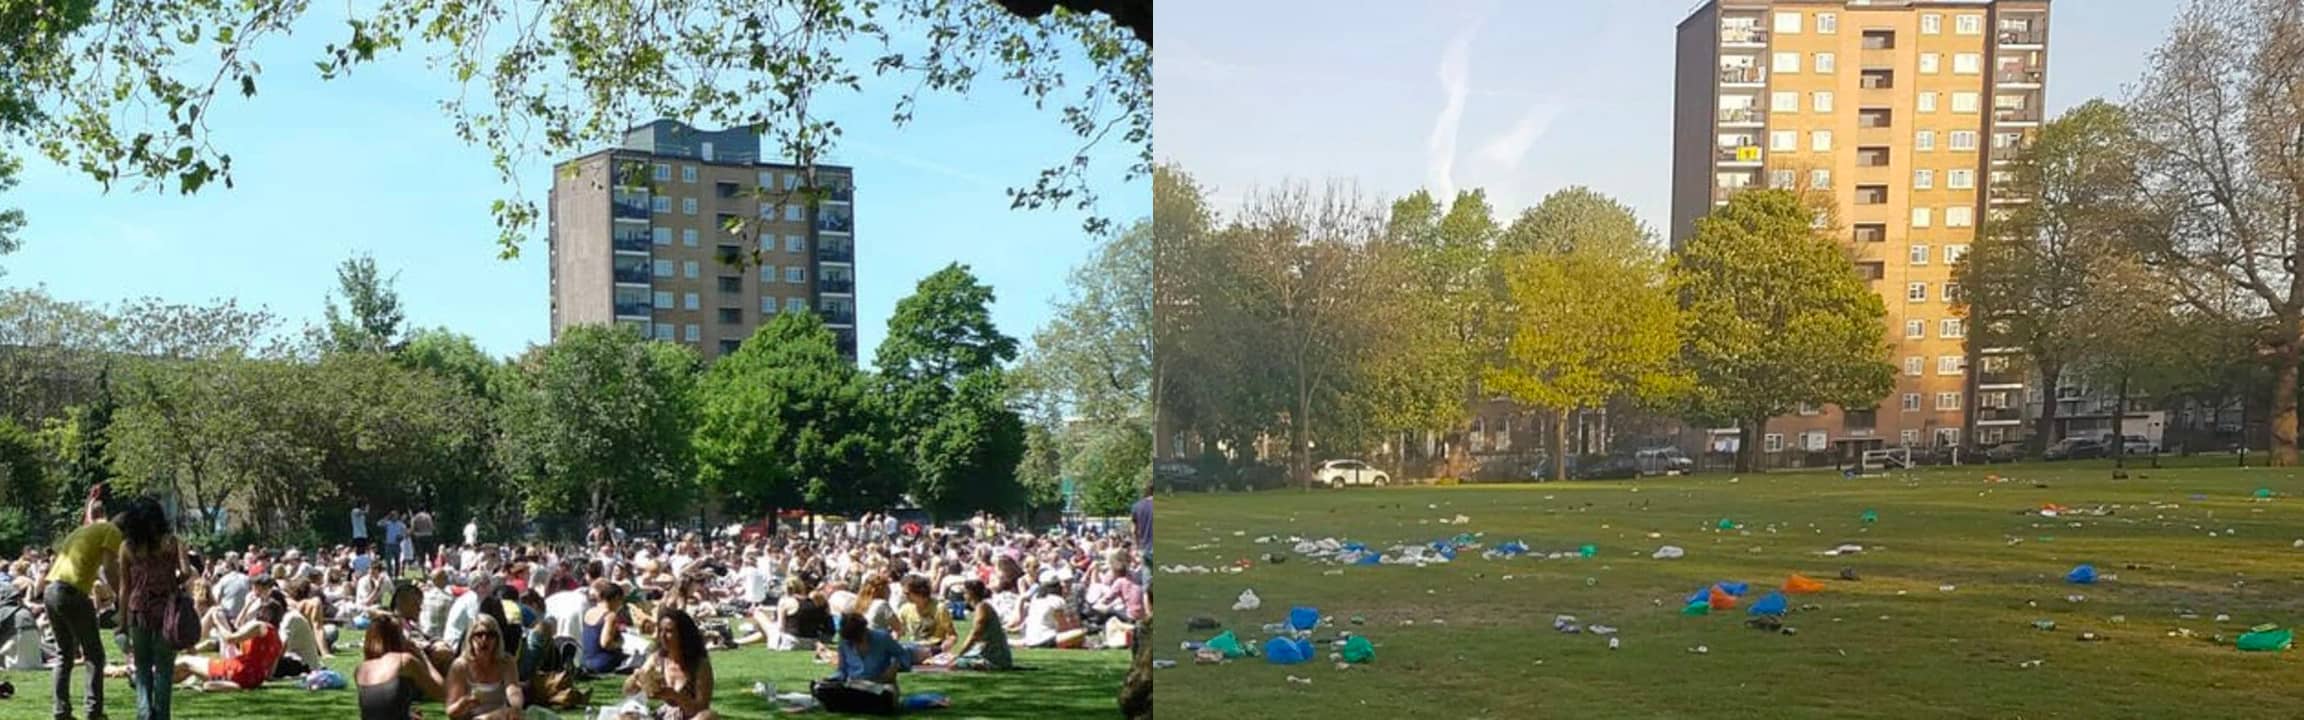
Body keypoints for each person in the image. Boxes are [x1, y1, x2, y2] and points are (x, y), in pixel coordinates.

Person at [43, 496, 126, 720]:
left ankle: (61, 712)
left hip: (51, 590)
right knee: (95, 655)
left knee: (64, 654)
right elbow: (109, 568)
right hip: (72, 592)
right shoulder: (112, 531)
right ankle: (94, 712)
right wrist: (122, 596)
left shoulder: (82, 531)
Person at [116, 496, 186, 720]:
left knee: (142, 666)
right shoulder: (171, 542)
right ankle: (162, 715)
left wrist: (122, 623)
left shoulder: (127, 547)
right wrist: (172, 580)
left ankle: (144, 712)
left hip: (139, 610)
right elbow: (186, 572)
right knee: (165, 667)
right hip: (167, 610)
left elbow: (124, 588)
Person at [171, 599, 286, 692]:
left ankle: (156, 672)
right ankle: (159, 682)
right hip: (253, 680)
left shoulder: (260, 626)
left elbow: (230, 639)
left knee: (186, 661)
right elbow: (270, 674)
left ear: (267, 613)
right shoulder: (278, 640)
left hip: (237, 671)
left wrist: (218, 622)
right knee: (188, 670)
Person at [624, 608, 718, 720]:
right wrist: (635, 679)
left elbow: (701, 708)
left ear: (683, 635)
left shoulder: (699, 665)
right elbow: (628, 691)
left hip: (689, 716)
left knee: (708, 716)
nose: (662, 636)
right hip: (663, 716)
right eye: (660, 630)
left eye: (669, 631)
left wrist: (674, 695)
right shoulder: (657, 659)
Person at [355, 615, 444, 720]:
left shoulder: (361, 670)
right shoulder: (404, 661)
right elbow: (441, 692)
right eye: (402, 634)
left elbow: (380, 710)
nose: (406, 638)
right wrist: (424, 658)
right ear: (396, 637)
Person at [445, 615, 530, 720]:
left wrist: (516, 707)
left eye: (490, 635)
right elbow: (451, 712)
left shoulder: (506, 662)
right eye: (479, 634)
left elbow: (513, 689)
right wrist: (463, 703)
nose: (484, 639)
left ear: (497, 639)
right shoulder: (460, 666)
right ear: (470, 639)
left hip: (501, 716)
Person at [939, 580, 1012, 671]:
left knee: (951, 664)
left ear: (971, 593)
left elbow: (975, 635)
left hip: (993, 659)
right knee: (947, 659)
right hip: (987, 654)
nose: (963, 595)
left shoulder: (982, 608)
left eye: (965, 592)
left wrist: (960, 653)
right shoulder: (981, 607)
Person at [577, 579, 634, 674]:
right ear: (616, 598)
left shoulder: (589, 612)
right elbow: (605, 643)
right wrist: (619, 645)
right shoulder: (610, 616)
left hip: (585, 661)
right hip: (602, 662)